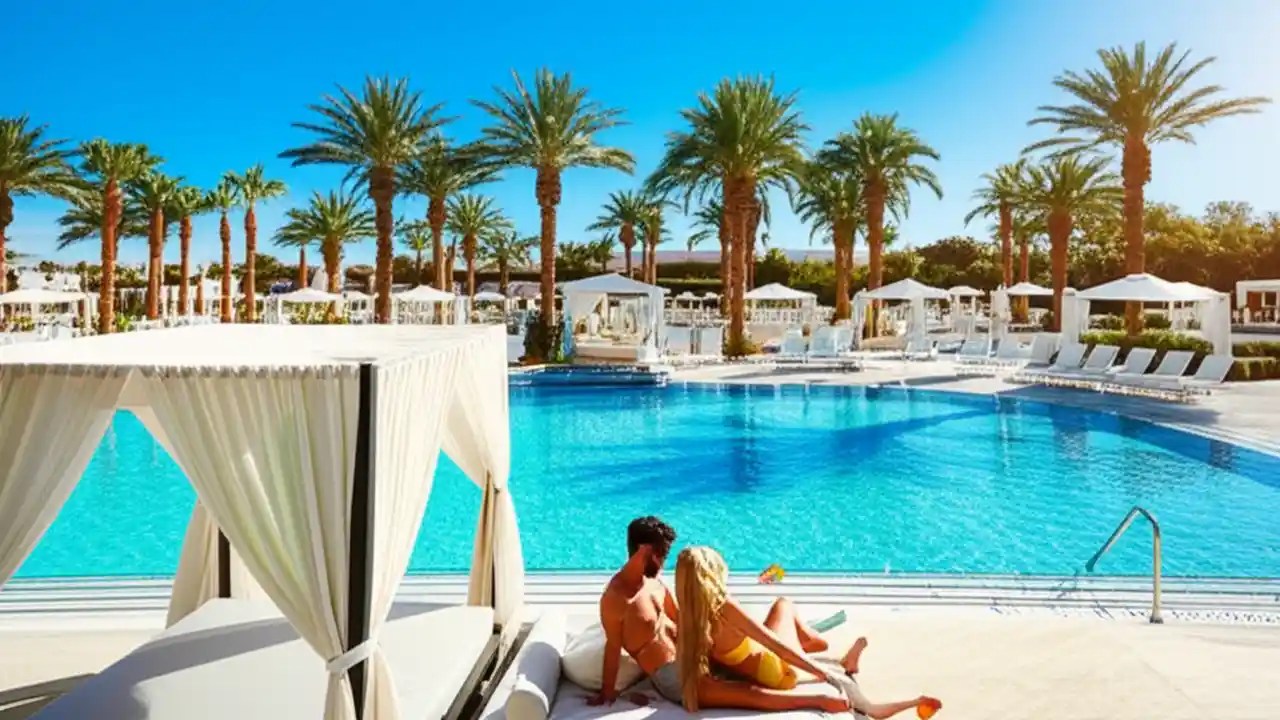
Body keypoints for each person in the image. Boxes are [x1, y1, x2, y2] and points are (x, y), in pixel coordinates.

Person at [675, 546, 940, 719]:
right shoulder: (725, 608)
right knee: (785, 605)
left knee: (781, 606)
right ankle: (815, 644)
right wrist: (820, 673)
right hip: (780, 671)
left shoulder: (691, 619)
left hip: (756, 663)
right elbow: (776, 646)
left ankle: (818, 645)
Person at [591, 516, 679, 706]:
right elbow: (613, 648)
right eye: (662, 554)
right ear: (644, 550)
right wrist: (607, 693)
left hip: (691, 658)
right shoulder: (616, 597)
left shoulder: (655, 581)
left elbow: (680, 619)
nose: (664, 562)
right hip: (673, 678)